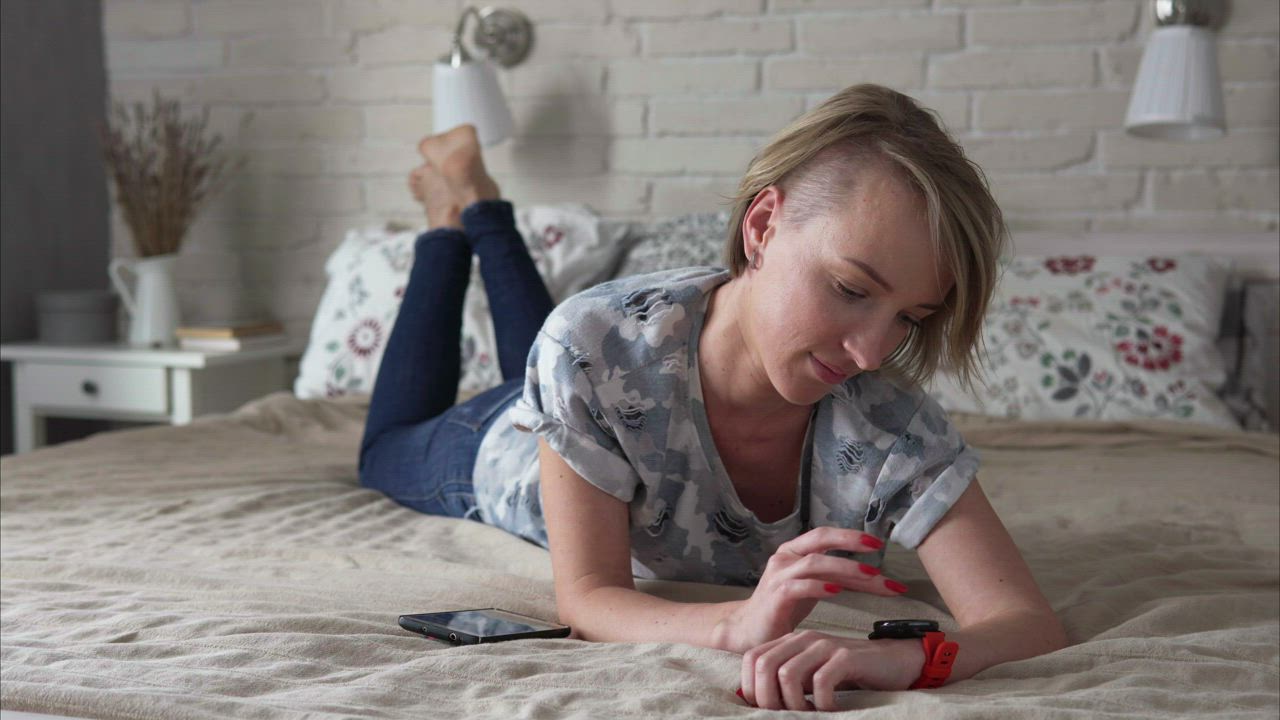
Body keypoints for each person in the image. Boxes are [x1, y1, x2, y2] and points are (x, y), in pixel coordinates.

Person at [359, 83, 1067, 712]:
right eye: (851, 290)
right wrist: (736, 623)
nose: (871, 353)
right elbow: (588, 597)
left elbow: (1026, 624)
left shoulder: (893, 429)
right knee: (385, 448)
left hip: (587, 380)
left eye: (909, 317)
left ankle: (477, 195)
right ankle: (451, 219)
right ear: (762, 227)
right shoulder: (592, 343)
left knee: (564, 345)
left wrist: (909, 658)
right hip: (504, 446)